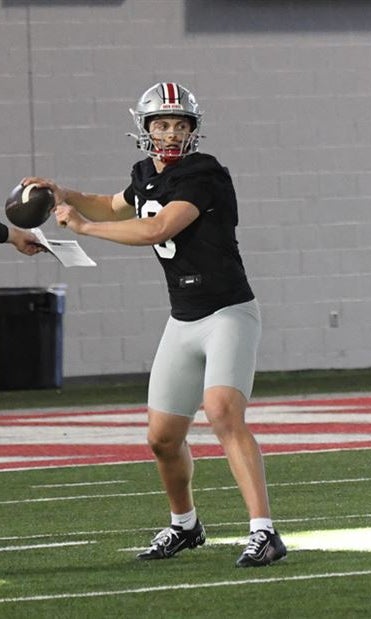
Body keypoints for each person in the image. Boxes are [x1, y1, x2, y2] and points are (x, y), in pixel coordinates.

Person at [27, 82, 286, 566]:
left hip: (227, 313)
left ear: (194, 130)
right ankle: (185, 526)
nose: (171, 133)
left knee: (223, 413)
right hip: (183, 318)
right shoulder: (147, 173)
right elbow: (113, 203)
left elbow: (157, 227)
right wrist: (65, 194)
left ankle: (264, 530)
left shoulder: (204, 173)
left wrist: (85, 228)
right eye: (162, 124)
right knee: (162, 439)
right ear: (146, 129)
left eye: (180, 124)